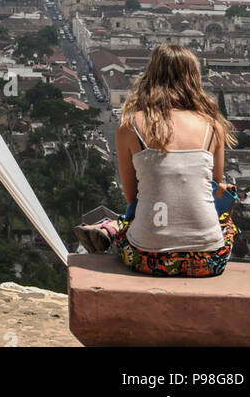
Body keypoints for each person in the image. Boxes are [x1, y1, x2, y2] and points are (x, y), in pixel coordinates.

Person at [74, 44, 238, 278]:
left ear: (150, 76)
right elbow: (214, 188)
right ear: (194, 79)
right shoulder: (213, 127)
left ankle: (111, 228)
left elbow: (133, 198)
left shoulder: (130, 126)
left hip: (146, 258)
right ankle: (113, 227)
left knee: (134, 216)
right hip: (209, 260)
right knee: (226, 222)